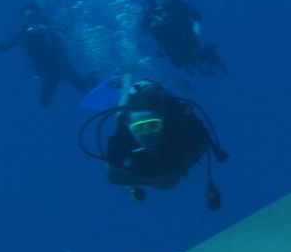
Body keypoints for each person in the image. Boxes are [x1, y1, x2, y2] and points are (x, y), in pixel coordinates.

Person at [80, 78, 228, 208]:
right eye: (139, 128)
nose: (147, 134)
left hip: (166, 132)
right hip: (129, 125)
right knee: (119, 117)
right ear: (130, 128)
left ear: (163, 122)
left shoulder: (180, 127)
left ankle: (128, 83)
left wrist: (179, 169)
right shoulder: (122, 139)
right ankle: (126, 81)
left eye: (152, 125)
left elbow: (203, 141)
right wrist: (152, 180)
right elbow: (112, 175)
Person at [0, 2, 90, 107]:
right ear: (24, 21)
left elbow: (67, 29)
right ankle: (95, 77)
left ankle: (100, 75)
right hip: (48, 73)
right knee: (45, 103)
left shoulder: (49, 26)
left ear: (39, 16)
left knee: (83, 87)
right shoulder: (24, 34)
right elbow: (6, 45)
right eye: (29, 18)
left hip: (63, 67)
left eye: (34, 16)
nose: (32, 20)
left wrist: (72, 27)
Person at [141, 0, 227, 76]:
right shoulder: (150, 11)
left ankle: (208, 56)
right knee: (178, 63)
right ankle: (201, 60)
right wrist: (152, 25)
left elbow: (197, 17)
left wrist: (196, 30)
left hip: (185, 37)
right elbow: (142, 30)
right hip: (168, 43)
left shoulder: (179, 6)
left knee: (194, 58)